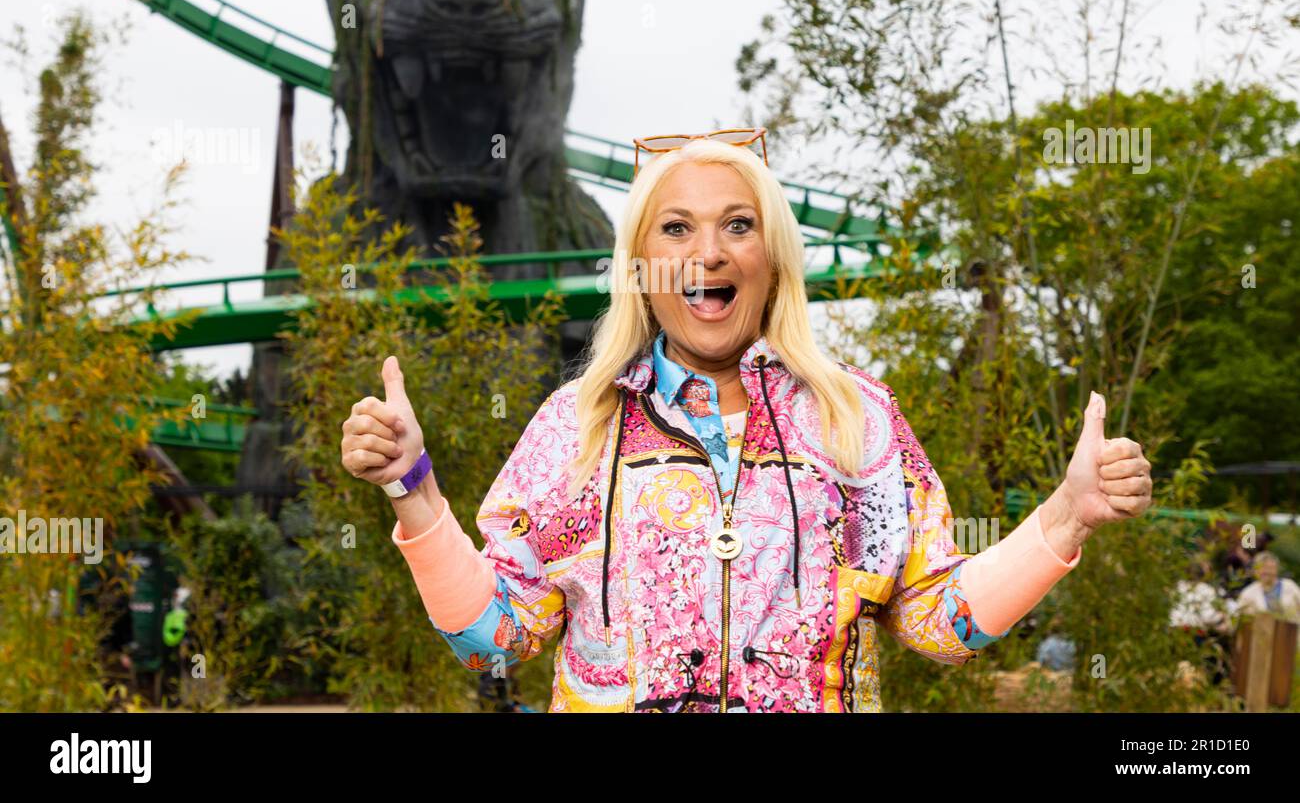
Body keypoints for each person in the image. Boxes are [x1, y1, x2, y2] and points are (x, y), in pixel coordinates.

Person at [339, 130, 1155, 712]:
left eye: (738, 223)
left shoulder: (856, 420)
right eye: (677, 227)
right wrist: (415, 491)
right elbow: (497, 637)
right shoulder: (573, 428)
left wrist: (1066, 515)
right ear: (644, 266)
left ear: (773, 257)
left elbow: (937, 621)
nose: (711, 250)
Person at [1236, 551, 1300, 624]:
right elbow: (1239, 619)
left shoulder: (1290, 586)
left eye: (1270, 568)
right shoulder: (1248, 593)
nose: (1266, 571)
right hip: (1261, 634)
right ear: (1255, 571)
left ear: (1276, 569)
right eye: (1262, 568)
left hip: (1293, 633)